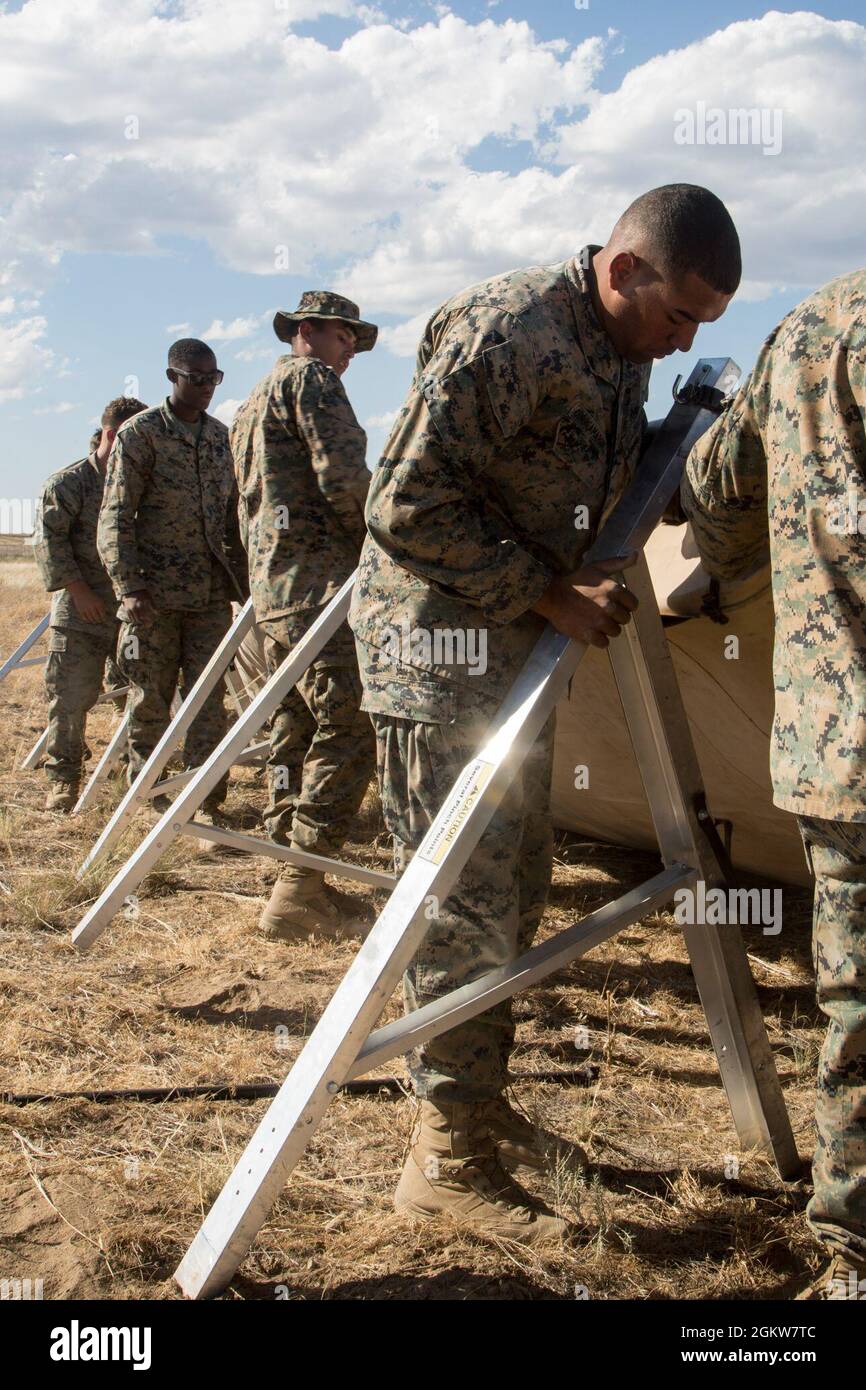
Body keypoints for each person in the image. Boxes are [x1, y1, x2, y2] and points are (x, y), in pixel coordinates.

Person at [348, 184, 740, 1243]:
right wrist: (545, 592)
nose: (682, 340)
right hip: (440, 655)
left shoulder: (617, 346)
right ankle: (445, 1160)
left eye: (702, 325)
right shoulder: (512, 329)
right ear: (624, 268)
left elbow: (569, 470)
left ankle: (472, 1109)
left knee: (512, 889)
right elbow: (402, 503)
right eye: (678, 314)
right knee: (462, 906)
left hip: (511, 657)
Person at [681, 267, 866, 1300]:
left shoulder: (807, 328)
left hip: (836, 750)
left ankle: (852, 1260)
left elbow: (714, 489)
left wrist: (748, 575)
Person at [231, 293, 377, 938]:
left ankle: (282, 849)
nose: (350, 353)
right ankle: (300, 887)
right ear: (307, 331)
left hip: (274, 592)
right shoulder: (311, 379)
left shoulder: (249, 405)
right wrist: (388, 541)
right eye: (346, 337)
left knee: (295, 722)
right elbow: (344, 478)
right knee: (350, 726)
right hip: (321, 587)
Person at [97, 339, 248, 829]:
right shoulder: (141, 434)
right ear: (172, 377)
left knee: (208, 702)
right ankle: (149, 796)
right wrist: (129, 587)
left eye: (214, 378)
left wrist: (245, 585)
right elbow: (115, 516)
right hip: (153, 597)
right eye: (196, 378)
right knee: (150, 700)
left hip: (209, 597)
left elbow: (233, 520)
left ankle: (205, 799)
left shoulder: (221, 438)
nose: (206, 387)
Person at [33, 396, 147, 811]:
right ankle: (63, 779)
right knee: (70, 697)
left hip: (130, 611)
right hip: (81, 611)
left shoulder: (141, 483)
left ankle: (133, 771)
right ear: (111, 435)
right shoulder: (68, 484)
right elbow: (49, 544)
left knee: (139, 694)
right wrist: (80, 592)